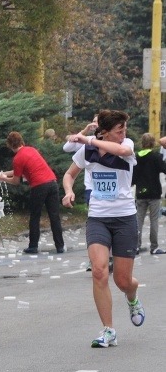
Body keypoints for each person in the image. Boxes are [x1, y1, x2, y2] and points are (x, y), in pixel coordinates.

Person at [62, 109, 144, 348]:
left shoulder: (125, 144)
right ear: (106, 132)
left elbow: (122, 151)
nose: (124, 134)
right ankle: (109, 330)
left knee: (122, 280)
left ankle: (132, 294)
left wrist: (87, 138)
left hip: (125, 218)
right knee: (99, 271)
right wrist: (69, 190)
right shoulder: (87, 152)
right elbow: (69, 174)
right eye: (119, 130)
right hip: (98, 217)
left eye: (124, 130)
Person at [0, 131, 65, 254]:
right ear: (21, 141)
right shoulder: (31, 150)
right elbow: (19, 170)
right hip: (52, 182)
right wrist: (4, 173)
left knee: (35, 216)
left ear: (9, 145)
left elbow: (16, 181)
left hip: (39, 186)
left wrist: (2, 178)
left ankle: (33, 246)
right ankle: (60, 246)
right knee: (54, 216)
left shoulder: (17, 158)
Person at [131, 133, 166, 255]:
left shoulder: (136, 157)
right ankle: (154, 247)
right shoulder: (156, 157)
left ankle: (136, 246)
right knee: (154, 220)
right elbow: (165, 169)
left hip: (141, 193)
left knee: (138, 220)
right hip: (154, 193)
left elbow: (133, 177)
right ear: (152, 143)